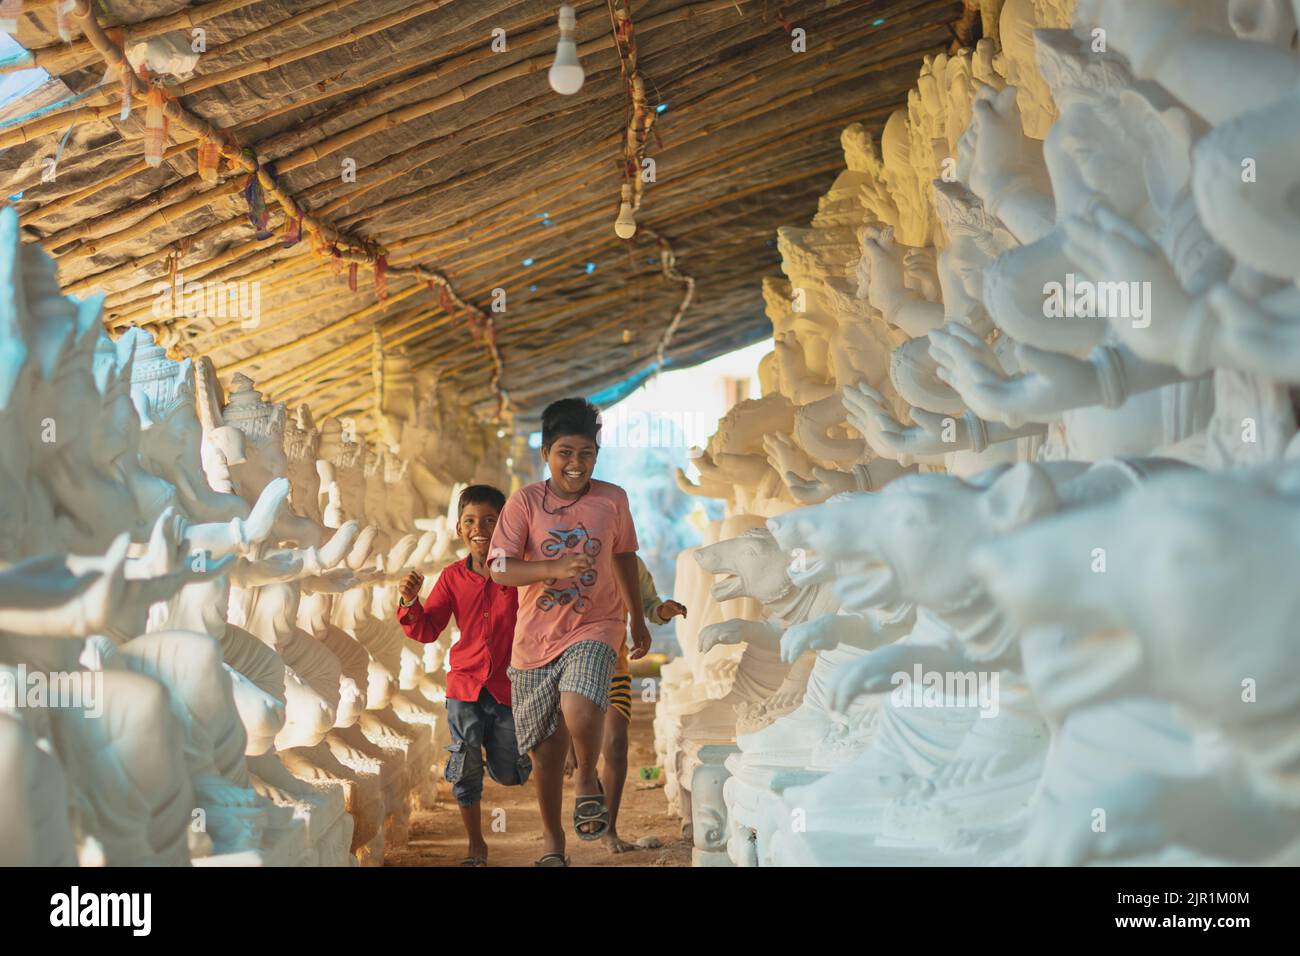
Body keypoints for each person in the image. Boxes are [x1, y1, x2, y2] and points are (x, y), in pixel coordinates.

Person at [487, 397, 650, 867]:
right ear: (545, 453)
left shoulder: (612, 498)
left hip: (597, 623)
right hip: (536, 637)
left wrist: (636, 618)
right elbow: (499, 568)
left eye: (585, 454)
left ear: (596, 455)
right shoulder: (523, 503)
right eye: (565, 453)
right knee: (545, 750)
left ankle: (586, 781)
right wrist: (551, 567)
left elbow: (623, 555)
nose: (575, 464)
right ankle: (552, 842)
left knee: (580, 705)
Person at [395, 484, 530, 867]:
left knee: (508, 774)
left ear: (506, 526)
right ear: (458, 528)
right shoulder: (453, 578)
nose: (480, 528)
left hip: (509, 688)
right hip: (465, 687)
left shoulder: (522, 573)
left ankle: (515, 755)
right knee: (465, 767)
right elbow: (426, 630)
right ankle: (476, 845)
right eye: (470, 521)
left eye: (491, 520)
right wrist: (409, 601)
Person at [579, 555, 686, 853]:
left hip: (615, 666)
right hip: (568, 669)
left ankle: (609, 829)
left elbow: (649, 604)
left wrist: (663, 610)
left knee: (615, 743)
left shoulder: (630, 563)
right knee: (577, 754)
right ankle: (588, 786)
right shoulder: (567, 551)